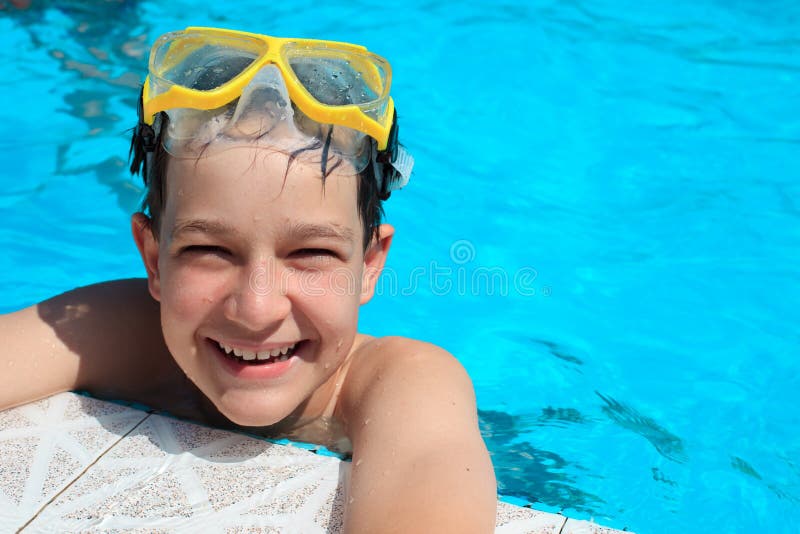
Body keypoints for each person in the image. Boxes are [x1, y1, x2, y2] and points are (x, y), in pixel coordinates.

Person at [0, 27, 496, 532]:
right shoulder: (121, 331)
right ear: (153, 259)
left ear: (369, 265)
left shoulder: (403, 381)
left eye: (311, 252)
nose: (256, 310)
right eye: (210, 250)